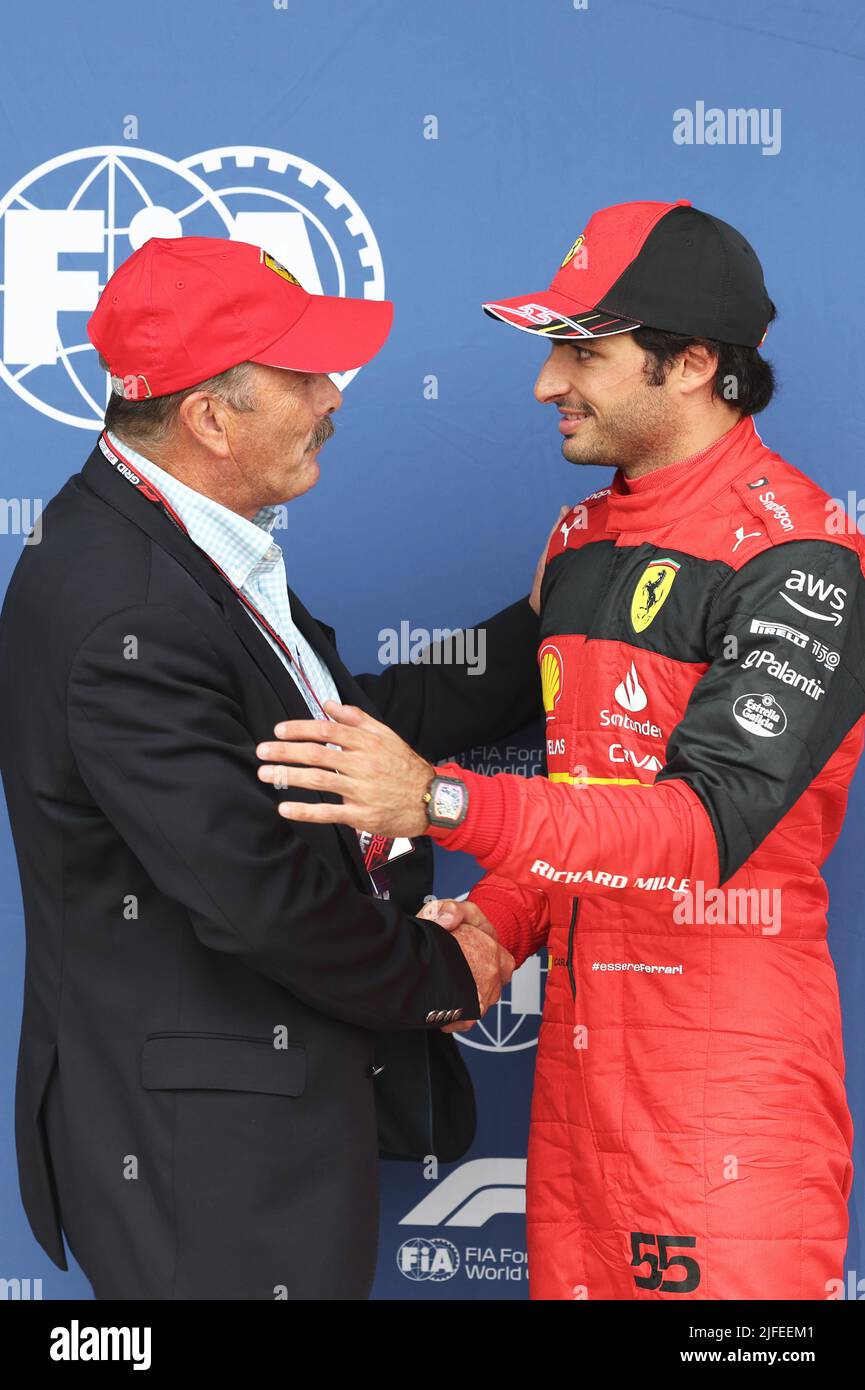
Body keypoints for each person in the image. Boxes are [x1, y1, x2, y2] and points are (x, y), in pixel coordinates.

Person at [258, 199, 865, 1300]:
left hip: (725, 1089)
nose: (547, 383)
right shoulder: (579, 542)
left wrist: (443, 806)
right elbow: (588, 806)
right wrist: (494, 925)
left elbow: (697, 827)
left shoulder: (802, 556)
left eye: (581, 351)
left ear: (688, 364)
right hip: (581, 1092)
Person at [0, 235, 538, 1300]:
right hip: (205, 1165)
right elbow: (262, 901)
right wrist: (443, 979)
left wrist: (540, 629)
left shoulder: (174, 539)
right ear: (210, 414)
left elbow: (337, 739)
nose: (333, 397)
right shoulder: (129, 608)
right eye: (305, 374)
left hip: (232, 1134)